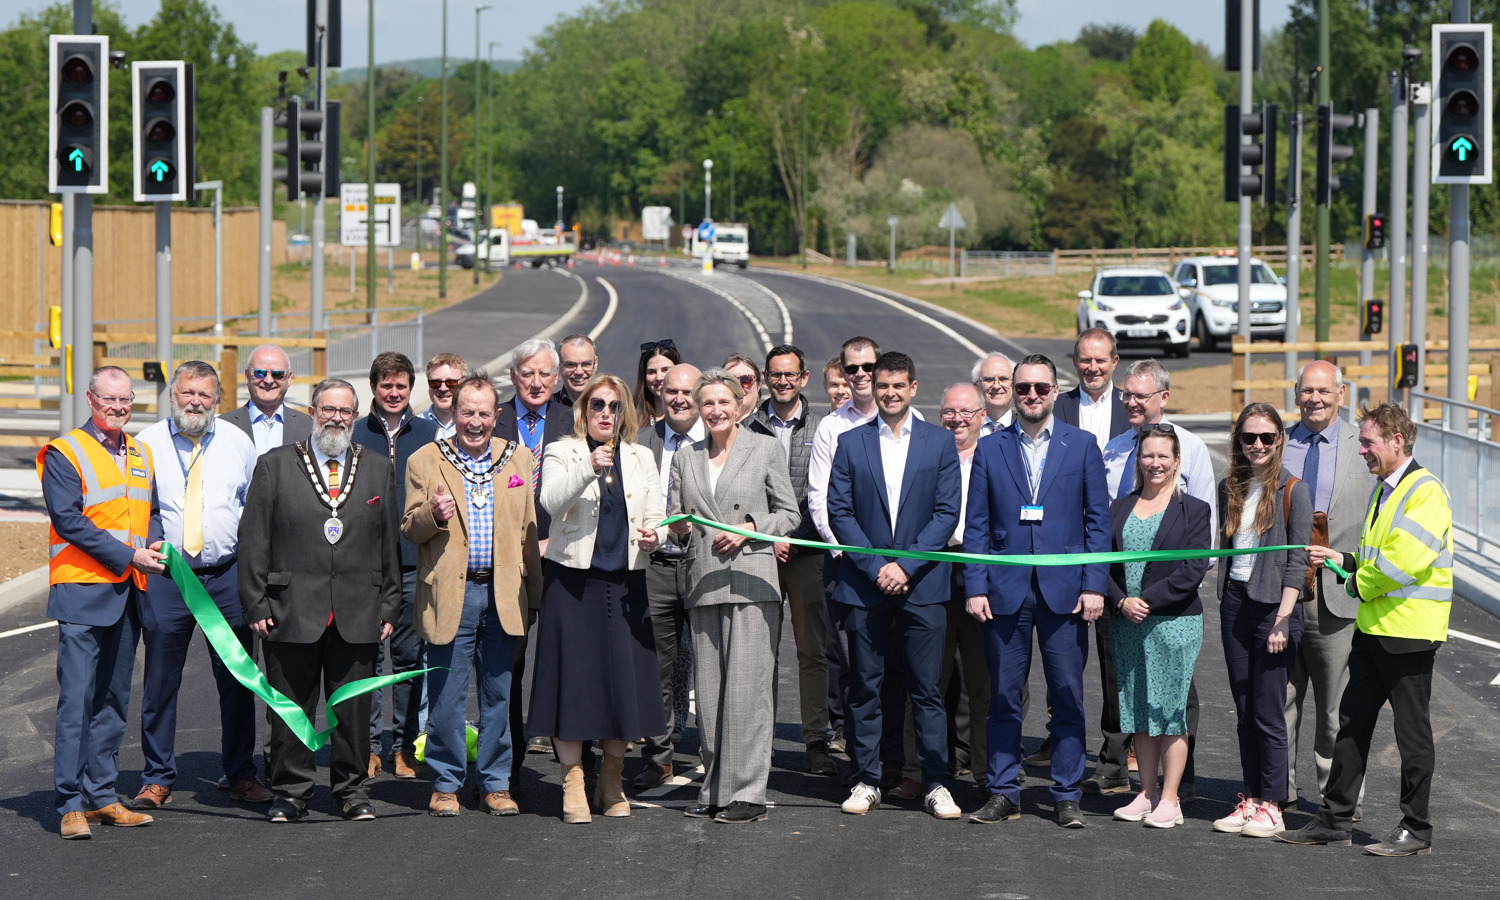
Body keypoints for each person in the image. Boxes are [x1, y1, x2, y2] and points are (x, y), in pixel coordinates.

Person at [1276, 403, 1453, 857]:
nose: (1362, 451)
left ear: (1397, 441)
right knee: (1351, 725)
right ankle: (1335, 819)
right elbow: (1378, 556)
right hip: (1374, 628)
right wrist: (1344, 561)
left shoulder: (1425, 491)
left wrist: (1356, 581)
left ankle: (1416, 828)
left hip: (1409, 633)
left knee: (1411, 734)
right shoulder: (1385, 489)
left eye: (1368, 442)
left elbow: (1404, 562)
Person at [239, 378, 402, 823]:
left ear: (355, 417)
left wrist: (389, 603)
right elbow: (253, 540)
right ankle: (291, 792)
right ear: (312, 412)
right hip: (290, 608)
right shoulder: (275, 465)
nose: (336, 418)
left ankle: (352, 790)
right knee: (291, 710)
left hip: (359, 609)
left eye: (345, 411)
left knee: (353, 710)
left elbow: (388, 542)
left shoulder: (376, 467)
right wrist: (256, 604)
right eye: (328, 409)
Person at [964, 354, 1108, 829]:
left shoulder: (1082, 445)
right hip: (1004, 593)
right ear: (1012, 391)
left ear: (1054, 391)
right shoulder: (990, 448)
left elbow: (1097, 522)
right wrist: (976, 585)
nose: (1031, 396)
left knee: (1067, 695)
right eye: (1023, 388)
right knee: (1004, 697)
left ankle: (1066, 793)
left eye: (1040, 388)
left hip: (1064, 592)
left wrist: (1094, 585)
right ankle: (1004, 790)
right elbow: (977, 524)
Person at [828, 351, 962, 821]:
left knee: (927, 690)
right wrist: (876, 567)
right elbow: (839, 512)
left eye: (897, 385)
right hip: (865, 587)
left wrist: (904, 567)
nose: (889, 393)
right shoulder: (851, 442)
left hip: (922, 585)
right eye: (882, 385)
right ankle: (867, 779)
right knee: (866, 687)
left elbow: (946, 513)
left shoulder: (939, 442)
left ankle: (935, 782)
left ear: (913, 388)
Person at [131, 362, 271, 812]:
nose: (195, 402)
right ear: (173, 395)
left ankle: (240, 773)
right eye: (187, 393)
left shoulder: (238, 442)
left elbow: (253, 508)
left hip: (227, 576)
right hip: (168, 577)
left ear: (217, 399)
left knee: (238, 678)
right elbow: (139, 507)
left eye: (205, 395)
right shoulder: (145, 444)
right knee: (160, 682)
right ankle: (156, 777)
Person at [531, 374, 668, 824]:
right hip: (573, 584)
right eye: (597, 405)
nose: (606, 413)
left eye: (614, 406)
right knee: (573, 684)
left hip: (626, 584)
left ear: (624, 412)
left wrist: (656, 536)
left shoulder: (641, 456)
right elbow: (550, 502)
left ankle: (611, 780)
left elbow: (658, 514)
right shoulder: (563, 451)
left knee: (620, 684)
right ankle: (573, 782)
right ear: (583, 410)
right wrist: (588, 466)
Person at [403, 375, 542, 816]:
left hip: (503, 593)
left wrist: (534, 597)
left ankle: (495, 784)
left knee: (499, 693)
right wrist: (431, 513)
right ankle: (445, 784)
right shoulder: (425, 460)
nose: (475, 422)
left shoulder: (518, 458)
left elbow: (528, 531)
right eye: (467, 412)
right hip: (451, 595)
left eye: (484, 413)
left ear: (496, 416)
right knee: (447, 695)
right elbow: (409, 528)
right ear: (454, 412)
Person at [667, 369, 801, 823]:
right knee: (709, 697)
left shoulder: (764, 448)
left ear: (740, 404)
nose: (716, 410)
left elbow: (789, 514)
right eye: (708, 403)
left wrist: (750, 529)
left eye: (724, 401)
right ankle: (715, 789)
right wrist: (677, 527)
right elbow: (678, 521)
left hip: (751, 582)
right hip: (702, 582)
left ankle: (748, 793)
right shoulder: (685, 457)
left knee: (747, 691)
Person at [40, 366, 165, 839]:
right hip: (82, 591)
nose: (118, 407)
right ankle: (70, 804)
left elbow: (150, 512)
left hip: (128, 593)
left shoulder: (140, 453)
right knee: (77, 701)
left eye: (125, 400)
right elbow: (68, 521)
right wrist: (130, 555)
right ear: (91, 400)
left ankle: (102, 796)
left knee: (113, 701)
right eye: (109, 399)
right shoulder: (65, 452)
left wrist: (154, 542)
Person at [1091, 359, 1216, 796]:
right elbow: (1105, 532)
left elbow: (1201, 543)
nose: (1130, 401)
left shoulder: (1192, 449)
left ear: (1163, 397)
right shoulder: (1113, 450)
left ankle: (1176, 786)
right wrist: (1118, 598)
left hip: (1170, 608)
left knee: (1174, 699)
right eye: (1126, 394)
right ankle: (1123, 774)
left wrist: (1160, 595)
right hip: (1120, 604)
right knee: (1126, 693)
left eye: (1140, 395)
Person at [1211, 402, 1311, 839]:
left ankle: (1273, 804)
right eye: (1249, 437)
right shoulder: (1229, 486)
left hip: (1274, 607)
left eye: (1266, 437)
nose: (1257, 445)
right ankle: (1251, 798)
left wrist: (1283, 619)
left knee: (1269, 711)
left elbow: (1297, 561)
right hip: (1235, 602)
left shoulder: (1294, 491)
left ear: (1279, 440)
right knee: (1244, 708)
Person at [1104, 426, 1212, 829]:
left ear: (1177, 460)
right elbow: (1101, 564)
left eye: (1163, 456)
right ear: (1139, 460)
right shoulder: (1119, 507)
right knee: (1138, 709)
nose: (1155, 463)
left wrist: (1146, 601)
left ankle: (1170, 798)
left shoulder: (1194, 510)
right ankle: (1146, 793)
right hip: (1127, 623)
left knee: (1169, 710)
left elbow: (1193, 569)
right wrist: (1120, 600)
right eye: (1148, 455)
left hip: (1173, 623)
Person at [1280, 361, 1371, 816]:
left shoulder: (1364, 446)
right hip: (1282, 594)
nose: (1314, 399)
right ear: (1296, 393)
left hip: (1337, 596)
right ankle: (1278, 792)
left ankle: (1339, 802)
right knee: (1280, 701)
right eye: (1306, 391)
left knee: (1335, 709)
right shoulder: (1275, 443)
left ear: (1341, 393)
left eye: (1323, 391)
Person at [746, 344, 838, 776]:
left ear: (804, 379)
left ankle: (816, 740)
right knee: (759, 652)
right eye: (775, 374)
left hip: (807, 554)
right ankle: (759, 743)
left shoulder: (823, 427)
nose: (782, 381)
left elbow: (826, 495)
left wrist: (794, 539)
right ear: (766, 378)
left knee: (812, 652)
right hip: (759, 553)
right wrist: (770, 537)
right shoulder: (747, 427)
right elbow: (744, 493)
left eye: (790, 374)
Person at [351, 351, 438, 780]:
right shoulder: (354, 433)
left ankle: (404, 747)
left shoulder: (429, 434)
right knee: (367, 662)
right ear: (373, 388)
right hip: (364, 568)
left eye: (401, 385)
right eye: (386, 385)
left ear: (410, 389)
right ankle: (368, 747)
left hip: (411, 565)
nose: (393, 392)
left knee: (407, 661)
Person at [495, 338, 572, 760]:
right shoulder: (494, 419)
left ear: (556, 378)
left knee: (565, 658)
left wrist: (554, 540)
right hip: (509, 559)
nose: (537, 382)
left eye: (545, 373)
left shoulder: (574, 420)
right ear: (513, 376)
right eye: (527, 373)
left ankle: (572, 754)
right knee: (510, 661)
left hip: (562, 555)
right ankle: (509, 761)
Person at [634, 362, 705, 789]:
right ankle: (658, 758)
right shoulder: (642, 440)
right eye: (671, 391)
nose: (678, 399)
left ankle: (715, 757)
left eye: (687, 392)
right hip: (655, 566)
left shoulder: (716, 439)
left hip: (703, 565)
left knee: (711, 667)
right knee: (656, 668)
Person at [934, 382, 992, 797]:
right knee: (929, 681)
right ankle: (924, 769)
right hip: (934, 573)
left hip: (982, 576)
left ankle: (988, 773)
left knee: (983, 683)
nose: (957, 419)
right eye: (950, 412)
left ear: (982, 416)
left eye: (966, 412)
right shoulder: (927, 455)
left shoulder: (997, 456)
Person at [222, 344, 314, 455]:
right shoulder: (223, 427)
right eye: (260, 373)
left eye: (277, 374)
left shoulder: (310, 428)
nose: (268, 381)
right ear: (247, 376)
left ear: (289, 378)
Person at [1053, 328, 1129, 451]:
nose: (1093, 368)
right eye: (1086, 360)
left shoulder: (1132, 407)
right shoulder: (1055, 407)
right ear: (1075, 361)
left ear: (1114, 362)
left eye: (1100, 361)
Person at [420, 352, 472, 440]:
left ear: (464, 383)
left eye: (451, 382)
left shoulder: (477, 425)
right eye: (435, 383)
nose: (443, 388)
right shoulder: (412, 427)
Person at [632, 339, 682, 426]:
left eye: (665, 370)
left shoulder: (696, 415)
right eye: (652, 372)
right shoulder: (631, 419)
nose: (659, 377)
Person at [972, 352, 1014, 436]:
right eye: (989, 379)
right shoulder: (963, 428)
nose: (996, 386)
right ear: (976, 386)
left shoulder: (1028, 427)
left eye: (1003, 379)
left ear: (1015, 384)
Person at [554, 334, 598, 407]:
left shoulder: (612, 407)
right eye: (571, 364)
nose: (579, 372)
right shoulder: (546, 408)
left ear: (596, 363)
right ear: (559, 366)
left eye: (586, 364)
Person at [723, 353, 762, 423]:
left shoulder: (770, 426)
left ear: (758, 387)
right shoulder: (706, 424)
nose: (738, 386)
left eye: (746, 380)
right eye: (730, 380)